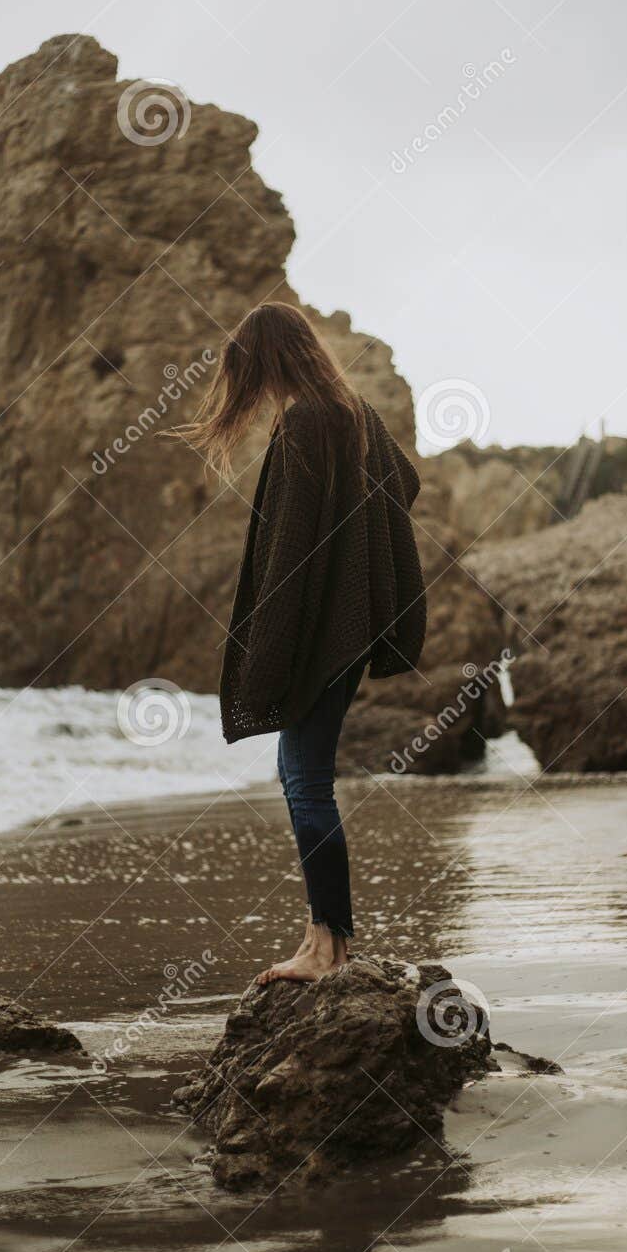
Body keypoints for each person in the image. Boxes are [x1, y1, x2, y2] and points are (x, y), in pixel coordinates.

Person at [177, 301, 426, 982]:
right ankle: (328, 941)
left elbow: (288, 550)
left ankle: (325, 948)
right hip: (349, 626)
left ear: (267, 361)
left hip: (321, 631)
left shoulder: (306, 422)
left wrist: (273, 639)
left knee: (307, 784)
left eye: (249, 369)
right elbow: (405, 481)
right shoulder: (353, 412)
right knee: (301, 778)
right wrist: (358, 555)